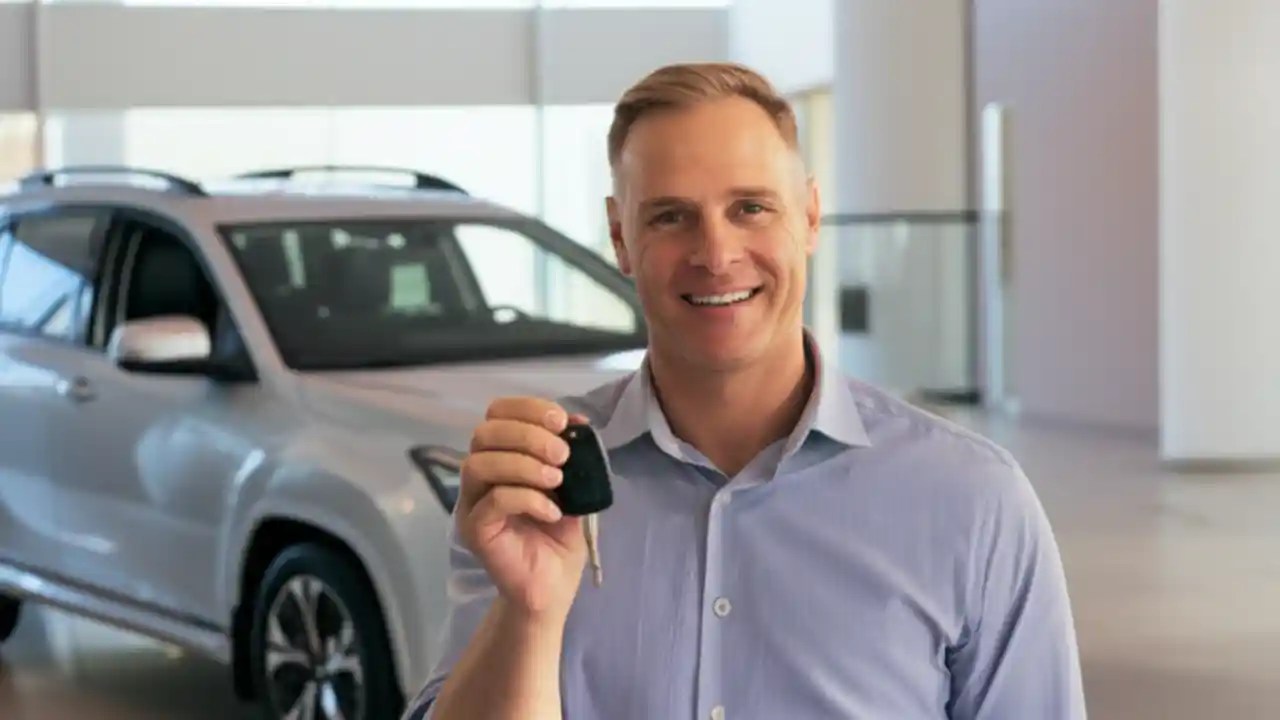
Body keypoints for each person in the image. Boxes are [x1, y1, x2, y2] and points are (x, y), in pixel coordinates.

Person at [403, 62, 1086, 720]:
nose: (717, 252)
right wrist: (528, 618)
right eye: (671, 217)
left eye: (751, 208)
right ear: (620, 236)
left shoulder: (971, 499)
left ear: (811, 217)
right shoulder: (543, 484)